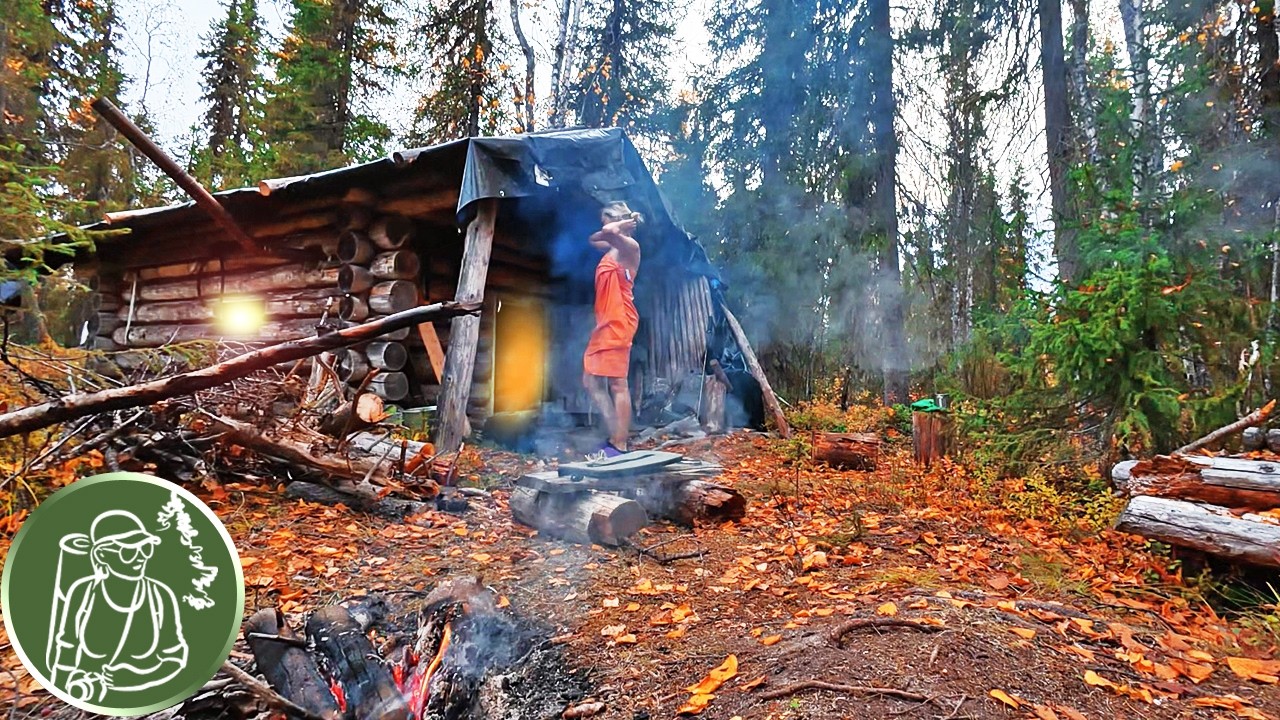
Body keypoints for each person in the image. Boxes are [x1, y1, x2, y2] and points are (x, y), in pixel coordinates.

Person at [49, 510, 188, 702]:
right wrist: (64, 692)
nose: (141, 557)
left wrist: (142, 678)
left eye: (145, 548)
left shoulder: (160, 596)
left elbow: (176, 658)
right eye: (128, 551)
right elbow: (66, 648)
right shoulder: (83, 593)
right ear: (102, 555)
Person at [583, 201, 642, 456]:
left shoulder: (631, 248)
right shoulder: (612, 246)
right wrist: (615, 227)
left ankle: (620, 443)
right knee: (590, 380)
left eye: (606, 219)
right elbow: (594, 238)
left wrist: (618, 227)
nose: (603, 225)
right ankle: (614, 433)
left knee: (618, 383)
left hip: (619, 321)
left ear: (619, 221)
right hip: (605, 322)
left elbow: (608, 233)